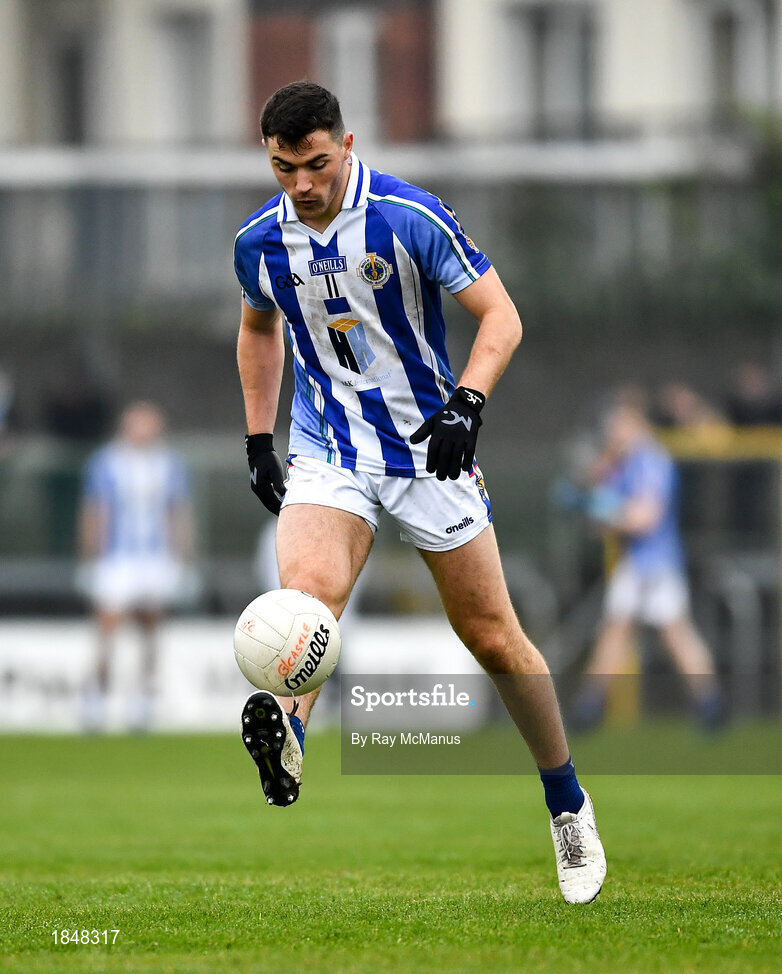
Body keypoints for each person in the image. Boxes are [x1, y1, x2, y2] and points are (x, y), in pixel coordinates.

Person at [233, 81, 605, 904]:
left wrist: (467, 403)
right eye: (284, 168)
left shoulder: (410, 216)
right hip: (328, 449)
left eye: (317, 164)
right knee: (309, 598)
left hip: (426, 451)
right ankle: (289, 738)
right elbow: (259, 326)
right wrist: (261, 436)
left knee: (495, 640)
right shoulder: (259, 242)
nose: (301, 184)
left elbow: (500, 316)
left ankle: (567, 803)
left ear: (349, 144)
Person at [567, 393, 725, 731]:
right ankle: (710, 705)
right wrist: (592, 505)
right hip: (642, 560)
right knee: (664, 634)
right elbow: (606, 518)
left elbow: (645, 518)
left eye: (618, 423)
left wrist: (597, 508)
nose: (612, 431)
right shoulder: (626, 462)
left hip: (652, 562)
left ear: (634, 421)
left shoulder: (650, 459)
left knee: (632, 632)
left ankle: (587, 709)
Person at [79, 402, 194, 731]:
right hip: (117, 557)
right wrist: (90, 556)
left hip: (155, 558)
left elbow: (178, 512)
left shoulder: (169, 464)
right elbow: (94, 510)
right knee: (108, 627)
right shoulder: (106, 462)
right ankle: (95, 697)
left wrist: (182, 557)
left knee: (150, 628)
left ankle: (142, 700)